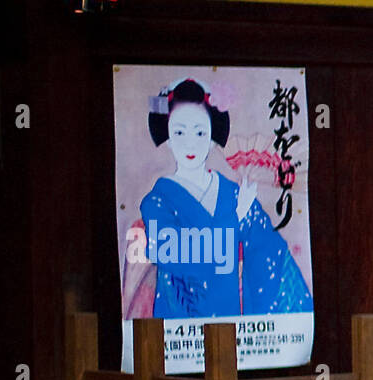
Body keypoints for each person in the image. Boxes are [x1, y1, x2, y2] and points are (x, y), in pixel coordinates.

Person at [122, 78, 313, 320]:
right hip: (180, 321)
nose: (190, 142)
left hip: (231, 317)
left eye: (200, 132)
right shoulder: (158, 200)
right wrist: (235, 220)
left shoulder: (235, 194)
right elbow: (175, 254)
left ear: (213, 139)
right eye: (179, 131)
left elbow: (270, 255)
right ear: (168, 138)